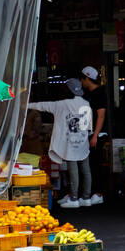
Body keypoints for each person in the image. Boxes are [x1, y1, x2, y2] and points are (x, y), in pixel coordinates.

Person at [29, 78, 94, 209]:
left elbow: (43, 106)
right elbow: (88, 127)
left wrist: (26, 105)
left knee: (73, 168)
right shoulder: (86, 104)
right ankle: (86, 197)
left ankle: (74, 198)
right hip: (82, 141)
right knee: (86, 169)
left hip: (70, 143)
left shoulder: (62, 104)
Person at [80, 66, 111, 201]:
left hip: (98, 135)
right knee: (90, 164)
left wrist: (95, 135)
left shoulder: (100, 93)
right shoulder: (89, 94)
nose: (81, 82)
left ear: (87, 78)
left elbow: (101, 115)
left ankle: (99, 193)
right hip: (90, 134)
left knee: (96, 164)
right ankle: (92, 192)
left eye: (82, 79)